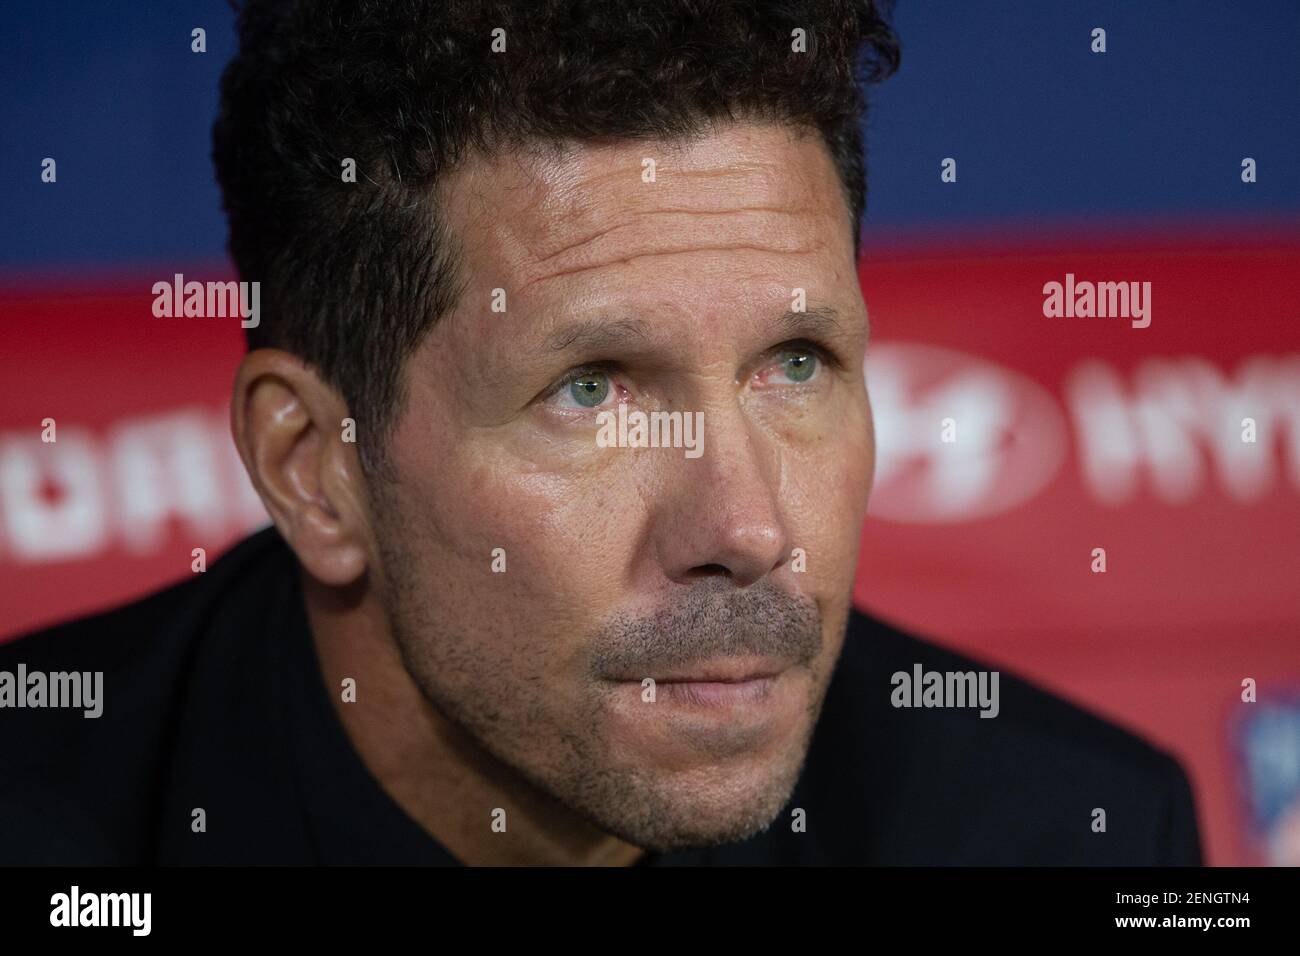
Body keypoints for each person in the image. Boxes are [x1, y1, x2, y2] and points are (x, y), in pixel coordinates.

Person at [0, 0, 1200, 866]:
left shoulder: (1066, 829)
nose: (746, 525)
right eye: (591, 389)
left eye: (795, 363)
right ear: (315, 468)